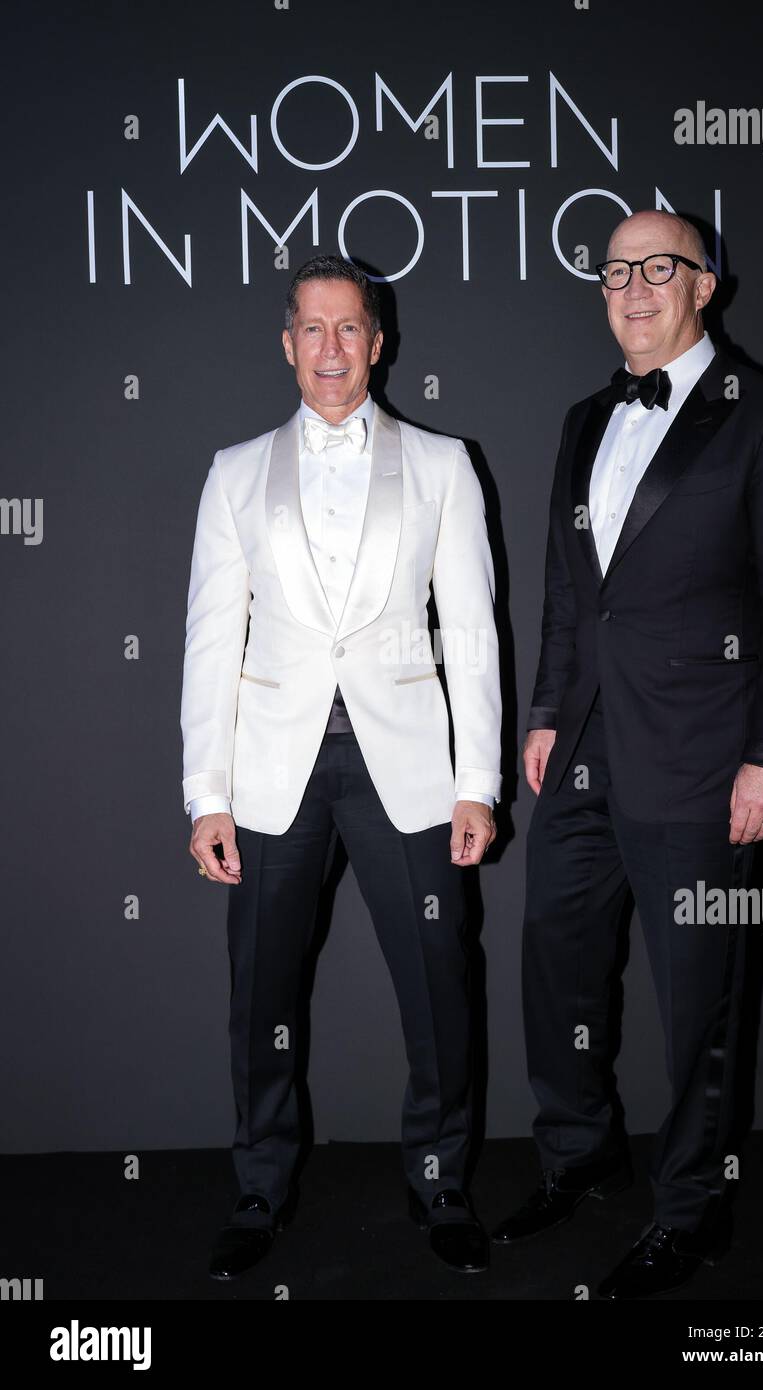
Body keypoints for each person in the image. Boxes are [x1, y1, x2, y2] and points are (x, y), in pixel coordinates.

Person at [493, 210, 763, 1299]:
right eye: (613, 271)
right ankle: (578, 1151)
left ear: (707, 285)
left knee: (701, 1002)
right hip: (586, 749)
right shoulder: (584, 417)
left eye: (659, 267)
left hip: (706, 759)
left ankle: (691, 1209)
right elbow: (566, 591)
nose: (632, 286)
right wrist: (547, 712)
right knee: (558, 965)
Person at [180, 255, 501, 1278]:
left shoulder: (446, 463)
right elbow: (206, 641)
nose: (330, 349)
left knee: (439, 984)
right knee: (261, 994)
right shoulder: (233, 471)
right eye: (311, 329)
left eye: (349, 328)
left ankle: (442, 1183)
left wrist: (477, 781)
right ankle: (262, 1185)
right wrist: (205, 795)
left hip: (405, 763)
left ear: (379, 340)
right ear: (287, 343)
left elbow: (478, 635)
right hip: (274, 768)